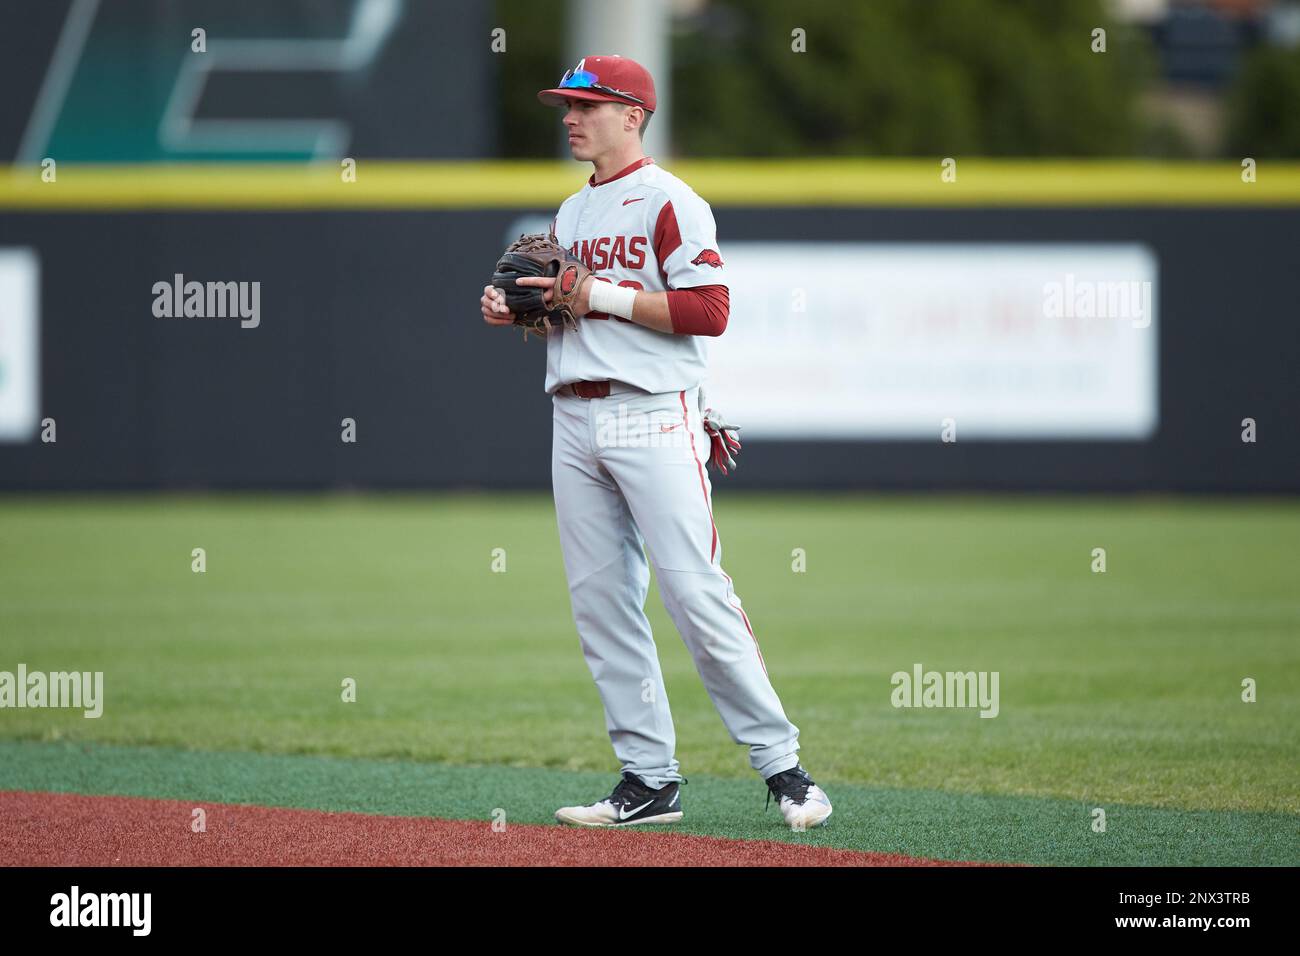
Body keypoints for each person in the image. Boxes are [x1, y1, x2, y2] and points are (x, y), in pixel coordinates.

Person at [479, 55, 831, 830]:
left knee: (695, 594)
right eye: (566, 106)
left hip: (651, 412)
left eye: (588, 105)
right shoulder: (570, 214)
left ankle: (786, 770)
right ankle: (648, 779)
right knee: (601, 606)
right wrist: (521, 309)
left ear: (633, 115)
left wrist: (591, 292)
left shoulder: (671, 201)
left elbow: (709, 309)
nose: (570, 117)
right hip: (572, 414)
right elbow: (571, 308)